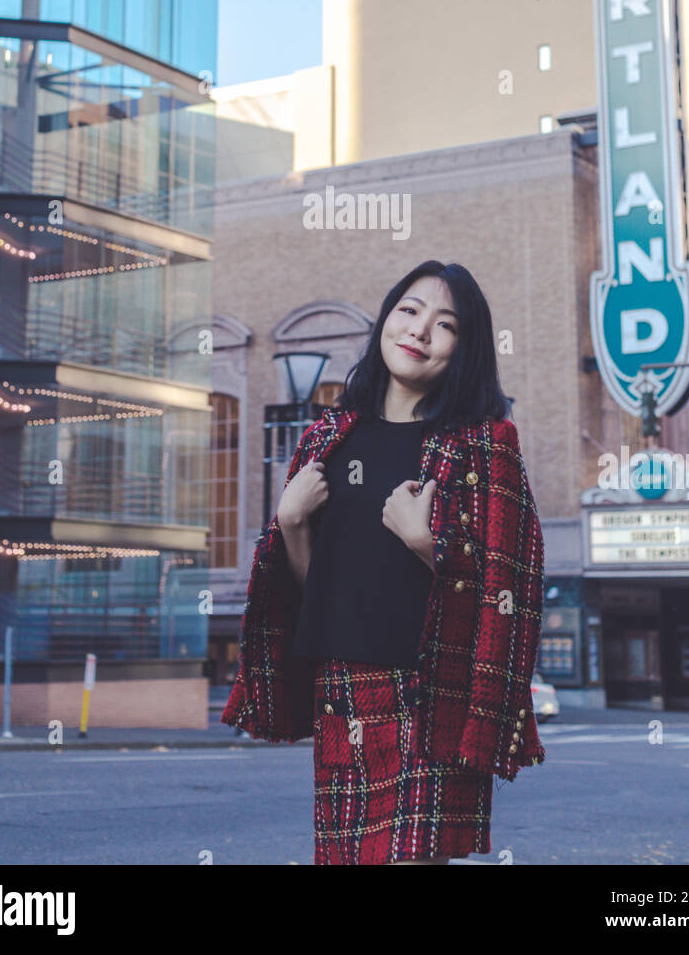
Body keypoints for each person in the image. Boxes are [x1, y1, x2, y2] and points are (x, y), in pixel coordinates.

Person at [221, 259, 546, 865]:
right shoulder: (327, 438)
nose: (420, 330)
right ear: (385, 322)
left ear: (465, 349)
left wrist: (428, 544)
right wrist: (291, 523)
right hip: (341, 685)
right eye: (409, 310)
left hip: (431, 690)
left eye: (446, 324)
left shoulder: (484, 445)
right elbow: (316, 590)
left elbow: (513, 588)